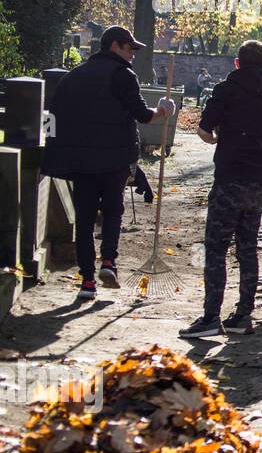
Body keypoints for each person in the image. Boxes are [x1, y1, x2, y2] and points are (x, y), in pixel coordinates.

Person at [41, 25, 176, 300]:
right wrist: (163, 111)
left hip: (80, 161)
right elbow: (142, 115)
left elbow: (52, 117)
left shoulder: (73, 77)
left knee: (85, 220)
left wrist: (58, 153)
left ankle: (87, 283)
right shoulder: (123, 75)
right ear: (114, 46)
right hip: (114, 160)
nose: (133, 55)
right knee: (113, 212)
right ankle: (109, 262)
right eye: (130, 48)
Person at [183, 40, 262, 338]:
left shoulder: (226, 90)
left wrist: (219, 137)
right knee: (247, 248)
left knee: (216, 248)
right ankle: (243, 316)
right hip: (259, 180)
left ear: (237, 63)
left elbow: (205, 130)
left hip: (230, 176)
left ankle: (210, 318)